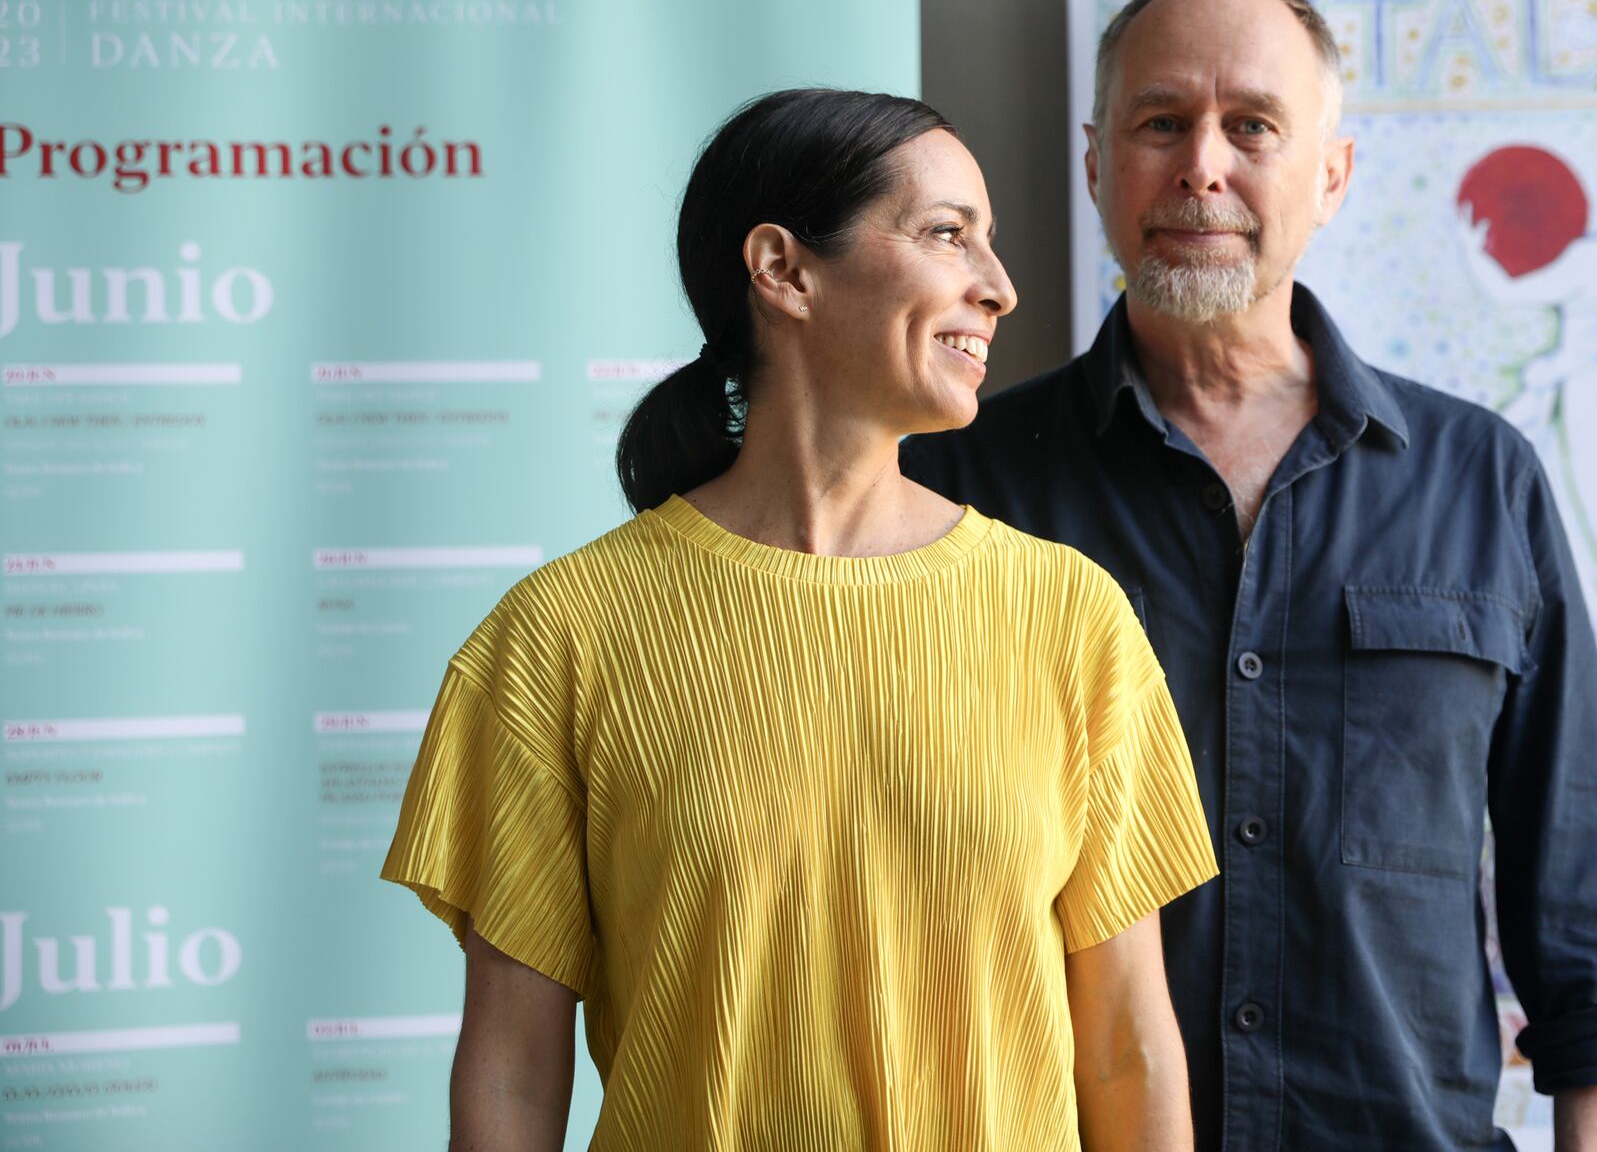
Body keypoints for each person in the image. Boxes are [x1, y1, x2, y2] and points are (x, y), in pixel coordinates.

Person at [904, 0, 1597, 1152]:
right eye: (1160, 122)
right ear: (1096, 164)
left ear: (1331, 172)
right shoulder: (965, 483)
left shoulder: (1481, 478)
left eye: (1251, 126)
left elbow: (1576, 896)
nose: (1202, 164)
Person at [382, 88, 1219, 1152]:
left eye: (988, 244)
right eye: (947, 234)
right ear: (783, 270)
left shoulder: (1070, 618)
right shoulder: (560, 638)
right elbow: (510, 1072)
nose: (999, 288)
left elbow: (1125, 1047)